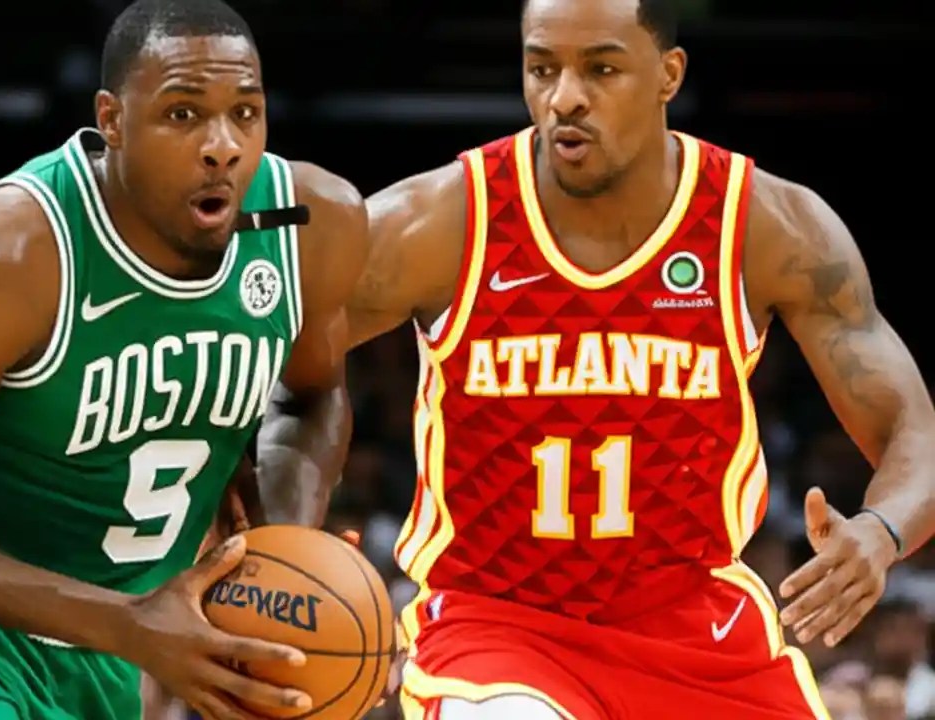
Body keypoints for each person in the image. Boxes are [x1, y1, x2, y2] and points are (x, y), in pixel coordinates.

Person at [347, 0, 935, 717]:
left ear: (668, 74)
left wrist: (880, 532)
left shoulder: (767, 228)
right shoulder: (439, 221)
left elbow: (915, 428)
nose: (564, 96)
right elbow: (266, 355)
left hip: (700, 631)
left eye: (600, 68)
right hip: (496, 626)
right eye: (542, 69)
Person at [0, 0, 367, 718]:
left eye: (244, 114)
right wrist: (127, 623)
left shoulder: (312, 225)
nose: (222, 145)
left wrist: (283, 549)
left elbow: (313, 395)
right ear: (113, 119)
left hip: (96, 654)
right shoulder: (12, 252)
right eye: (183, 115)